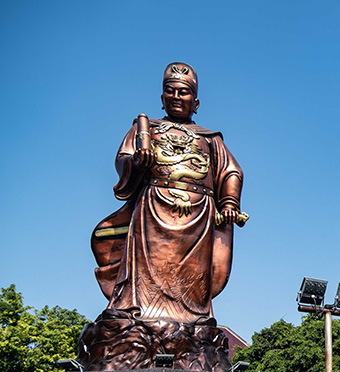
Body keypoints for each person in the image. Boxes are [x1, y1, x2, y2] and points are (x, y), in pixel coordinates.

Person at [91, 62, 244, 325]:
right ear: (162, 98)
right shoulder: (145, 129)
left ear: (195, 102)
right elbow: (123, 158)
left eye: (183, 92)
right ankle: (137, 312)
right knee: (147, 273)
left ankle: (193, 318)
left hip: (198, 215)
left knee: (192, 277)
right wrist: (138, 162)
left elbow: (231, 171)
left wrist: (229, 201)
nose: (176, 97)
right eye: (170, 92)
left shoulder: (210, 139)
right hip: (153, 210)